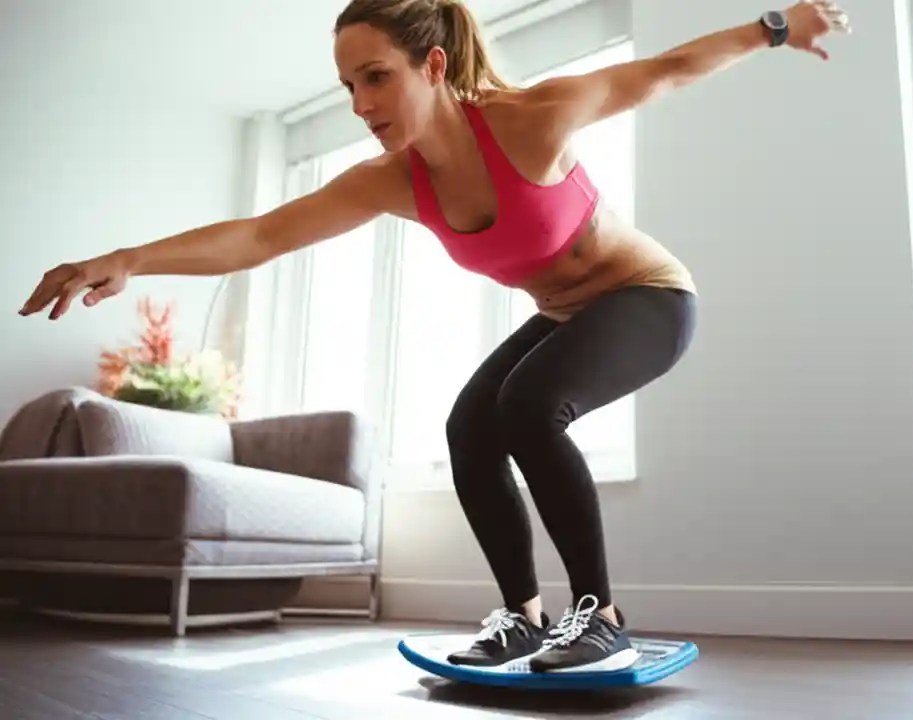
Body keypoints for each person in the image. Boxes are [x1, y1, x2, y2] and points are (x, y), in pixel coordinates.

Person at [18, 0, 850, 672]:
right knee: (468, 426)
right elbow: (262, 235)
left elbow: (665, 72)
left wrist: (777, 27)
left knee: (528, 405)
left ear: (435, 65)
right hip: (565, 312)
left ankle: (601, 616)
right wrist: (128, 258)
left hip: (651, 298)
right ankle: (526, 619)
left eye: (376, 77)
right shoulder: (393, 181)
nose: (362, 104)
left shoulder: (532, 119)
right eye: (348, 87)